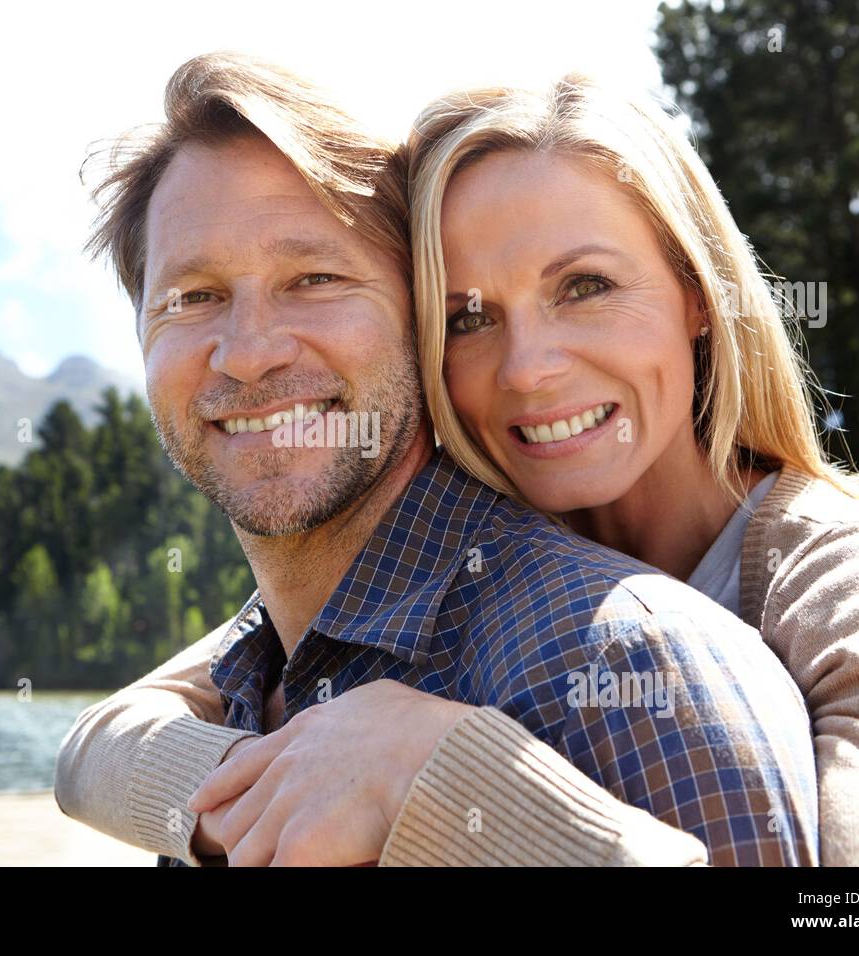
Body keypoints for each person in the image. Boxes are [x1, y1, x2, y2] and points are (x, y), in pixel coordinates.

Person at [56, 53, 818, 868]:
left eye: (315, 277)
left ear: (422, 324)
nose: (247, 354)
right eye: (193, 296)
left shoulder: (622, 662)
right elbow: (90, 753)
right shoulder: (244, 675)